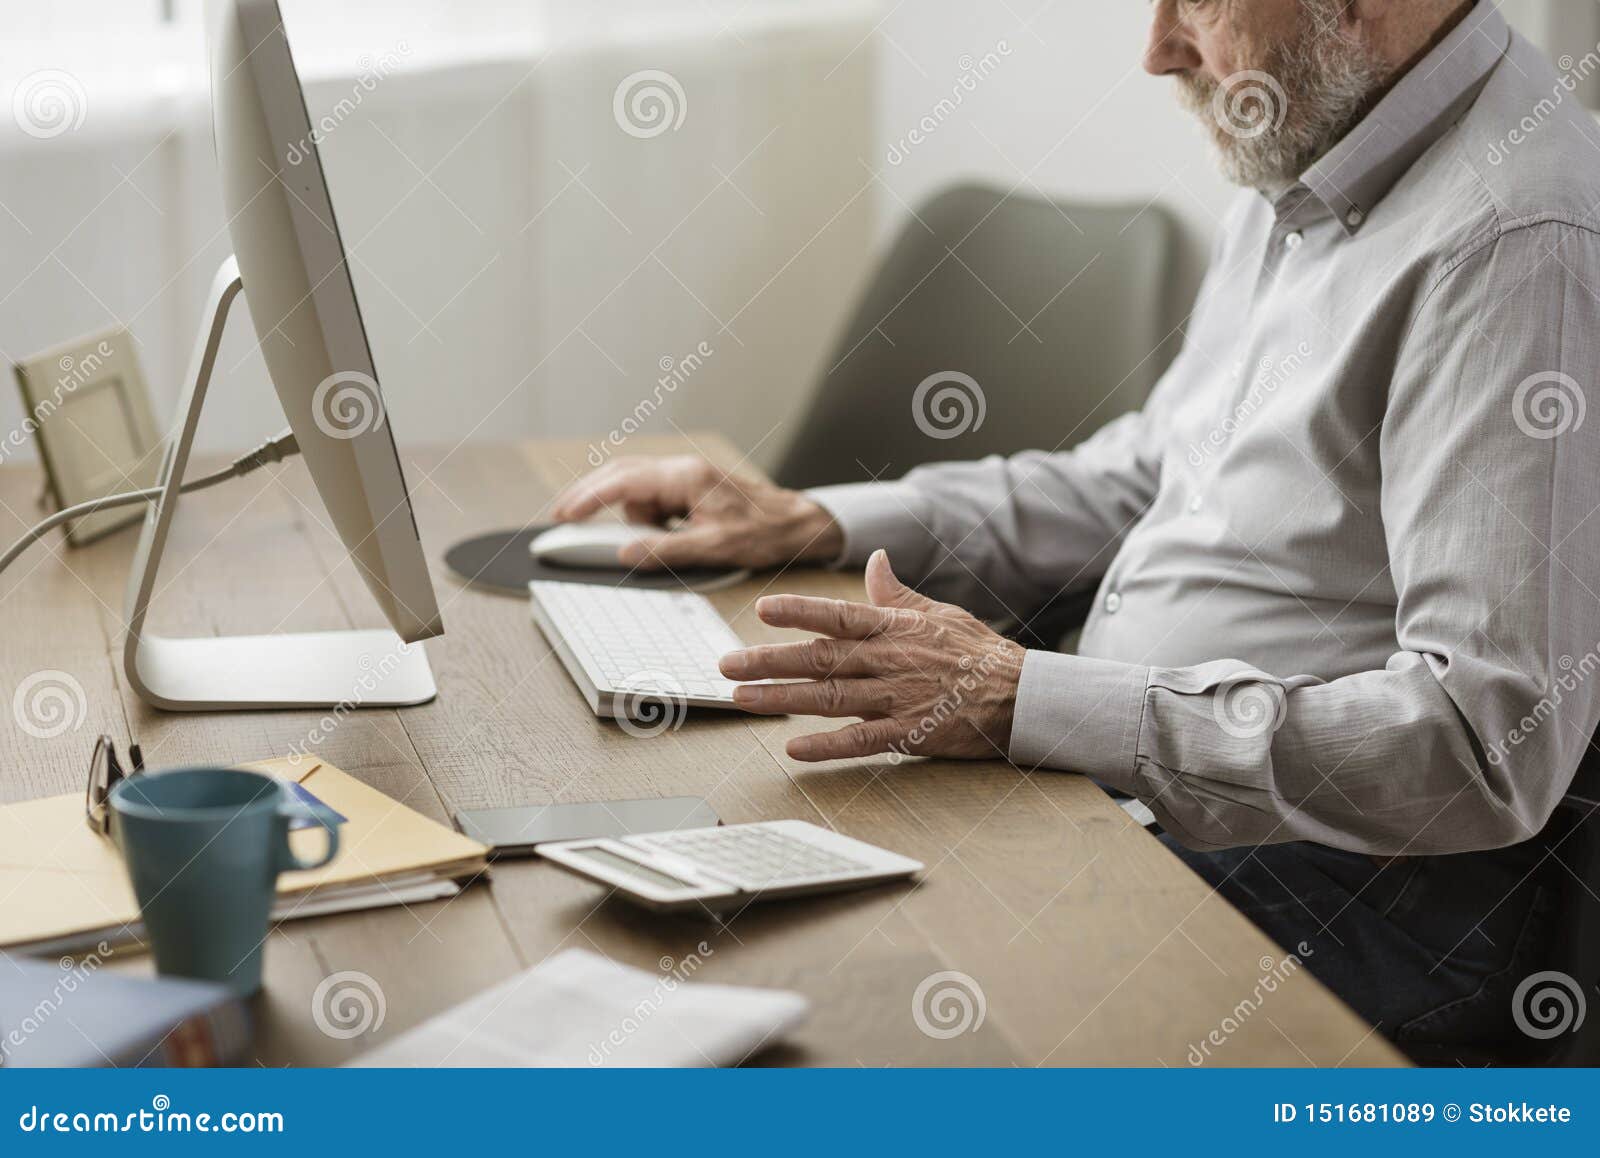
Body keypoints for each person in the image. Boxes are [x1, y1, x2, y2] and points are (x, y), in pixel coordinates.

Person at [549, 0, 1600, 1057]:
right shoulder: (1316, 152)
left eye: (1199, 3)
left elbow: (1480, 743)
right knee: (729, 925)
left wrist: (1033, 698)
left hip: (1352, 896)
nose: (1157, 51)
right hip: (1143, 801)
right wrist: (814, 518)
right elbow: (1154, 474)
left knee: (842, 1013)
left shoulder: (1514, 239)